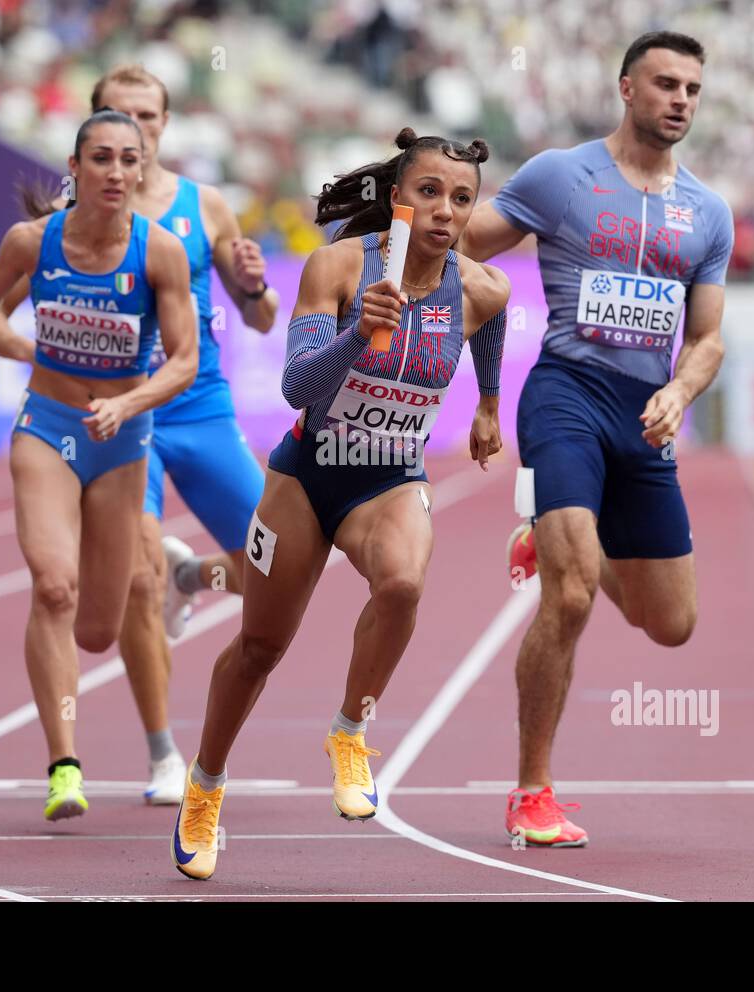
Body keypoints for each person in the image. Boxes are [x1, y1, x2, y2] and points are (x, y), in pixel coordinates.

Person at [171, 128, 510, 880]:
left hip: (388, 476)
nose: (446, 212)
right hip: (306, 474)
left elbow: (490, 326)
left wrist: (489, 403)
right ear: (397, 199)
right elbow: (296, 389)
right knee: (260, 646)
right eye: (429, 193)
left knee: (403, 583)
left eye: (462, 199)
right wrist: (361, 331)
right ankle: (205, 785)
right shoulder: (338, 267)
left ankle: (351, 730)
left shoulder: (480, 288)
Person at [459, 31, 734, 847]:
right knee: (572, 595)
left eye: (692, 87)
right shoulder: (560, 175)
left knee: (672, 623)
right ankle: (531, 793)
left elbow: (709, 338)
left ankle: (551, 542)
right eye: (665, 83)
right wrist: (404, 223)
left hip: (644, 412)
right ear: (626, 88)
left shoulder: (708, 213)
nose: (680, 99)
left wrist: (681, 391)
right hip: (566, 394)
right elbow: (464, 244)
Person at [0, 65, 279, 805]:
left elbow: (261, 317)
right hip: (112, 421)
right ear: (91, 135)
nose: (135, 132)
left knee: (279, 561)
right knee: (131, 585)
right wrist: (31, 358)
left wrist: (254, 284)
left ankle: (197, 576)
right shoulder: (64, 220)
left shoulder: (203, 207)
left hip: (201, 406)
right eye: (118, 119)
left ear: (163, 129)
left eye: (147, 118)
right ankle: (162, 757)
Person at [0, 108, 197, 821]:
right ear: (76, 167)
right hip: (47, 429)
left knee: (97, 630)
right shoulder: (34, 240)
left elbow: (185, 360)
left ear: (143, 170)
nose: (117, 172)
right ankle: (63, 766)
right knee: (54, 587)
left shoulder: (158, 254)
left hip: (122, 441)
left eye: (129, 160)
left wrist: (130, 402)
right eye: (102, 159)